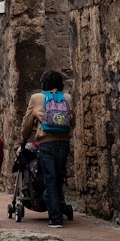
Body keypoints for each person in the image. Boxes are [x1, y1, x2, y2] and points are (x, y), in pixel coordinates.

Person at [20, 69, 73, 228]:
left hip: (46, 142)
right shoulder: (67, 98)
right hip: (63, 142)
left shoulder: (37, 98)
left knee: (49, 178)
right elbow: (73, 121)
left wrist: (24, 138)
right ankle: (57, 206)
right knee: (59, 177)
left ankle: (55, 218)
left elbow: (27, 123)